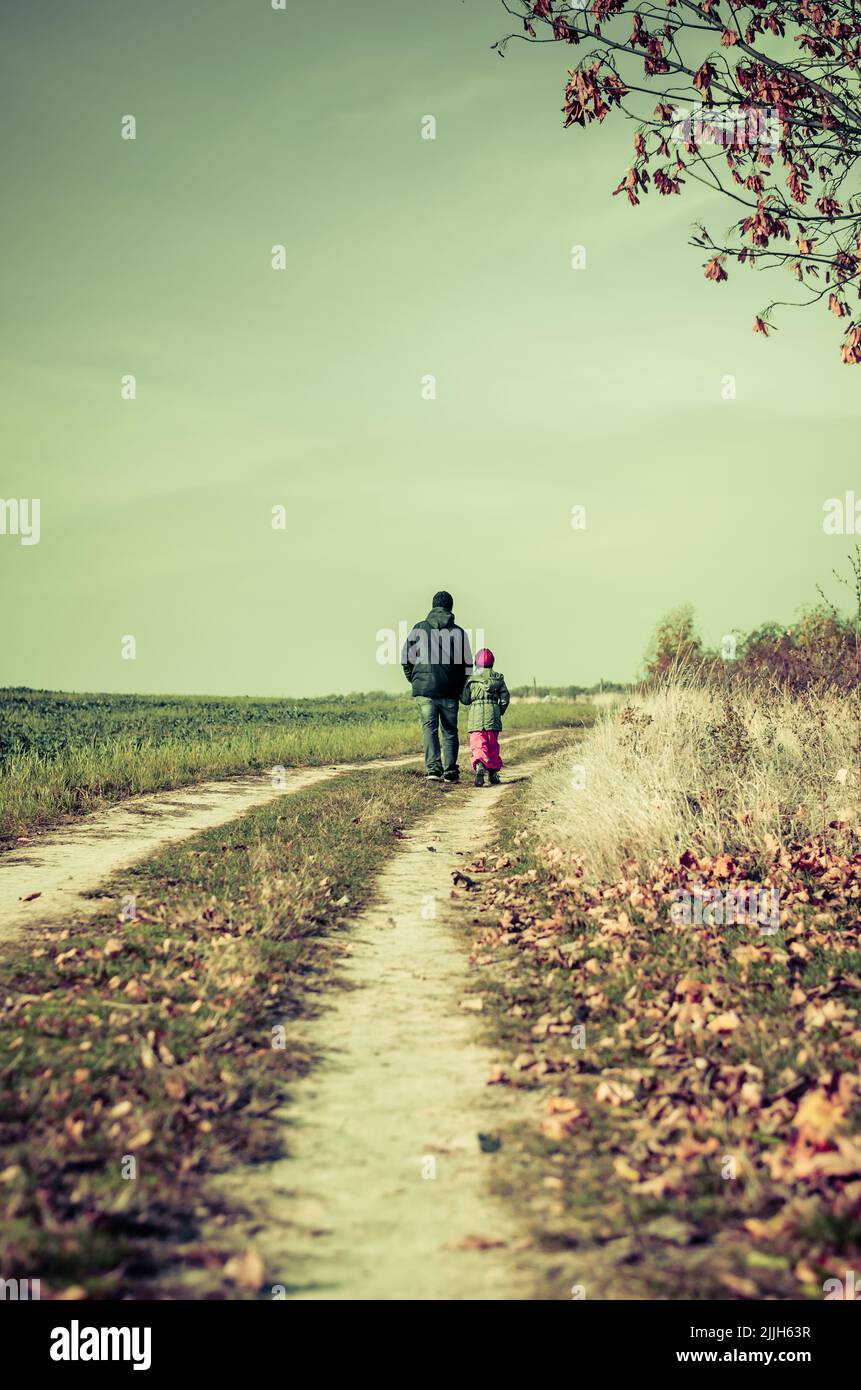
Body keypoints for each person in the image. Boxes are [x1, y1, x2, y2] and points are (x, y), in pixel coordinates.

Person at [401, 590, 473, 782]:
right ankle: (450, 771)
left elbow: (406, 660)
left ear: (433, 606)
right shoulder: (459, 632)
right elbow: (467, 666)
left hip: (424, 690)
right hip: (450, 691)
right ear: (451, 607)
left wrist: (415, 679)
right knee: (450, 730)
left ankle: (433, 770)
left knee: (429, 728)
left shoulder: (418, 628)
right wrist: (459, 686)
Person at [460, 647, 509, 787]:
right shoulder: (498, 678)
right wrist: (499, 710)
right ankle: (493, 773)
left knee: (478, 744)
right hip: (493, 715)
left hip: (476, 716)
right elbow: (505, 697)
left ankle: (480, 767)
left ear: (477, 662)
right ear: (492, 662)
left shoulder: (471, 679)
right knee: (492, 744)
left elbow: (465, 699)